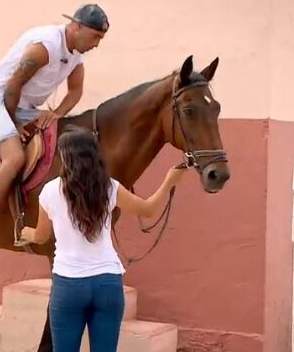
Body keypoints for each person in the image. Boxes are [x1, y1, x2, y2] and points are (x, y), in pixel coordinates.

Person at [0, 3, 110, 265]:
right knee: (14, 158)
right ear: (76, 27)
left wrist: (56, 114)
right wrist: (14, 126)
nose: (97, 43)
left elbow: (75, 92)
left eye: (101, 38)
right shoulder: (44, 47)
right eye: (96, 36)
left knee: (60, 133)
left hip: (24, 106)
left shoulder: (76, 56)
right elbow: (12, 86)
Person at [19, 130, 186, 352]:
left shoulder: (50, 191)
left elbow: (41, 236)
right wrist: (169, 181)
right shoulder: (109, 187)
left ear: (64, 157)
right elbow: (147, 210)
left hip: (68, 285)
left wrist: (26, 233)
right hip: (107, 283)